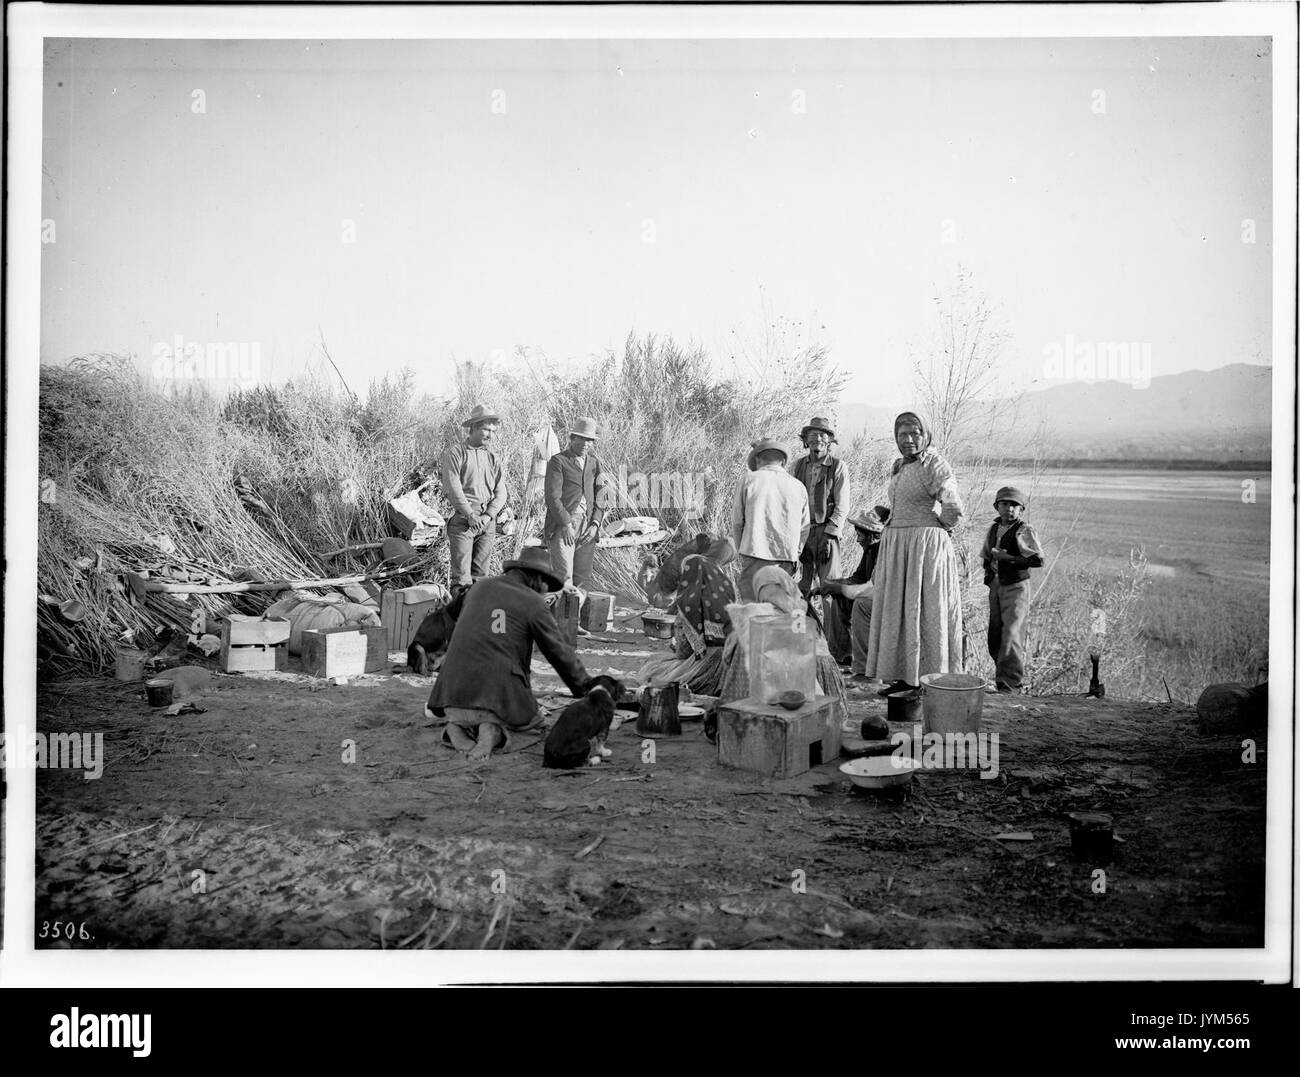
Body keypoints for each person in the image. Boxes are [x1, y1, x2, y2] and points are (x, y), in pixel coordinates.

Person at [425, 547, 593, 761]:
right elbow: (559, 653)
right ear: (536, 578)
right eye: (546, 586)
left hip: (450, 696)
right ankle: (492, 731)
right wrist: (585, 688)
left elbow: (450, 617)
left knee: (467, 705)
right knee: (537, 727)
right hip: (497, 698)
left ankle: (455, 727)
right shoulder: (533, 603)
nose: (545, 592)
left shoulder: (478, 588)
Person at [865, 411, 966, 694]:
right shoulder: (900, 466)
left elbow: (953, 504)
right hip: (898, 545)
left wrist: (939, 527)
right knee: (901, 610)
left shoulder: (934, 463)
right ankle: (903, 677)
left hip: (923, 547)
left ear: (925, 436)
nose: (908, 440)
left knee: (924, 610)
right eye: (902, 435)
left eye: (915, 434)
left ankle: (925, 679)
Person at [635, 534, 737, 695]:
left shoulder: (690, 594)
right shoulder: (727, 589)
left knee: (652, 667)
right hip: (730, 668)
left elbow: (685, 651)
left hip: (707, 670)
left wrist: (678, 645)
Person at [981, 485, 1045, 694]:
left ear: (1021, 510)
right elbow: (986, 556)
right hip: (996, 585)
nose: (1009, 509)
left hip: (1016, 587)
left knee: (1012, 634)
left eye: (1015, 505)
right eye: (1005, 504)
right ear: (996, 506)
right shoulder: (993, 529)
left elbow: (1037, 560)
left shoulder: (1024, 530)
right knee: (996, 634)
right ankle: (1002, 681)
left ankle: (1012, 684)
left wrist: (1008, 559)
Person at [731, 438, 810, 602]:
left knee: (753, 610)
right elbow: (804, 528)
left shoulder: (748, 480)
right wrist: (795, 553)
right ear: (782, 461)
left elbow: (738, 522)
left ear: (758, 459)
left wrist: (742, 550)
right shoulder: (798, 486)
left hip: (754, 554)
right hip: (786, 559)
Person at [439, 404, 508, 589]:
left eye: (493, 431)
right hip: (463, 521)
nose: (490, 435)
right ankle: (459, 617)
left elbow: (501, 492)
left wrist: (487, 516)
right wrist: (470, 515)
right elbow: (453, 488)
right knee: (462, 580)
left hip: (487, 522)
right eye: (486, 429)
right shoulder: (456, 453)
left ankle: (475, 617)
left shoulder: (493, 457)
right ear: (474, 428)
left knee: (481, 579)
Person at [544, 416, 614, 594]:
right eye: (581, 438)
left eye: (589, 440)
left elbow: (601, 495)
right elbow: (552, 497)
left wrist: (595, 524)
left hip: (587, 525)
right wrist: (566, 524)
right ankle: (560, 622)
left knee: (583, 579)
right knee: (563, 578)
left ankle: (577, 621)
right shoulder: (558, 461)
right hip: (564, 525)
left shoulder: (594, 463)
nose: (585, 443)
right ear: (572, 438)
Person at [817, 505, 889, 673]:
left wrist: (837, 587)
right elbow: (857, 578)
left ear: (873, 536)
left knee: (859, 604)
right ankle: (842, 655)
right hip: (871, 594)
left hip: (883, 600)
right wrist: (830, 586)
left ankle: (864, 668)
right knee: (839, 598)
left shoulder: (884, 551)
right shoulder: (870, 550)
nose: (857, 540)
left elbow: (870, 587)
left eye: (860, 535)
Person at [790, 416, 850, 599]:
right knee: (801, 588)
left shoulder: (838, 467)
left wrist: (829, 535)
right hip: (802, 531)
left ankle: (832, 628)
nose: (818, 439)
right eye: (813, 434)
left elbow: (843, 506)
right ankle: (804, 627)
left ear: (829, 441)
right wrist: (799, 538)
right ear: (805, 440)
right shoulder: (797, 466)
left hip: (826, 532)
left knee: (830, 588)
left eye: (823, 435)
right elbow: (790, 504)